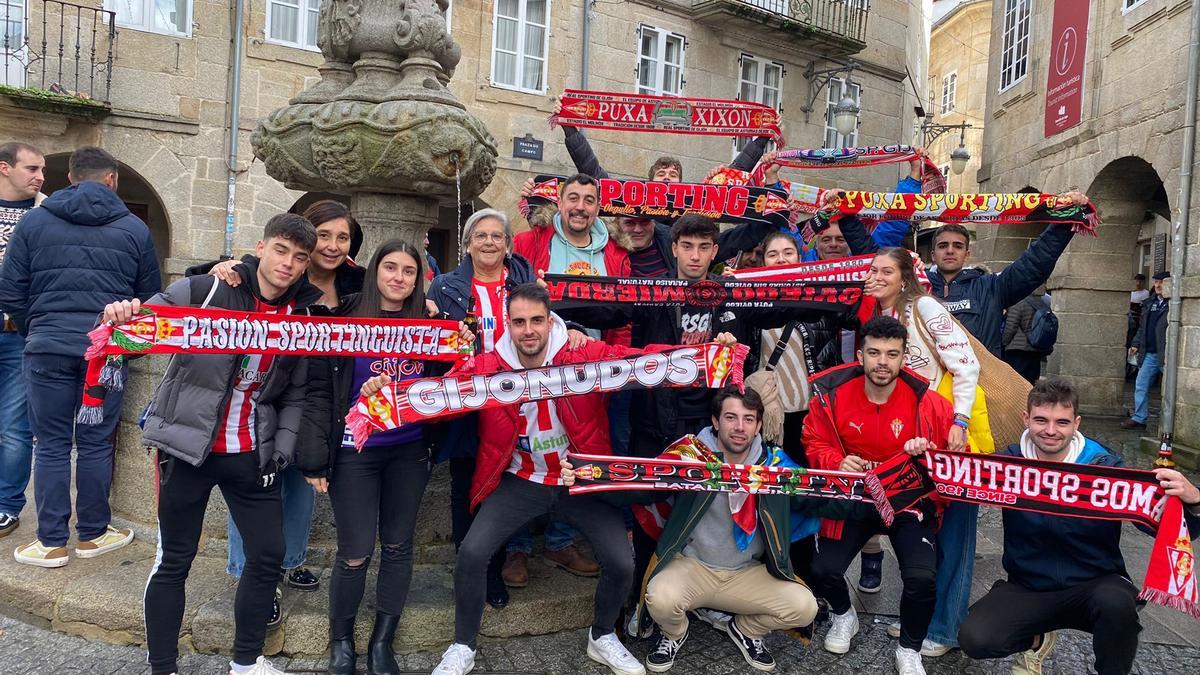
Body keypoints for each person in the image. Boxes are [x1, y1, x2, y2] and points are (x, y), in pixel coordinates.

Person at [421, 283, 649, 675]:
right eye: (519, 322)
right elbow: (443, 398)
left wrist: (712, 355)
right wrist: (385, 397)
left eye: (537, 321)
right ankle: (463, 646)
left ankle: (602, 636)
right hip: (520, 480)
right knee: (473, 553)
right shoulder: (491, 365)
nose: (529, 330)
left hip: (579, 480)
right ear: (507, 324)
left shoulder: (581, 353)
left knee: (621, 561)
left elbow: (637, 361)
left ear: (551, 321)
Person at [128, 213, 320, 675]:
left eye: (300, 257)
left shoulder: (304, 316)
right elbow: (135, 331)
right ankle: (163, 666)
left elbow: (296, 392)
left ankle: (246, 662)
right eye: (280, 250)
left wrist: (281, 452)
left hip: (250, 455)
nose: (288, 263)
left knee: (268, 556)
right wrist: (119, 314)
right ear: (261, 246)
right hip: (187, 450)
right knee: (175, 560)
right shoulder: (208, 289)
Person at [299, 240, 472, 675]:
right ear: (376, 271)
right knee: (355, 551)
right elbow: (322, 392)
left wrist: (465, 340)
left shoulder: (432, 323)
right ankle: (341, 640)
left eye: (408, 271)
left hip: (409, 450)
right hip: (356, 452)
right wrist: (318, 454)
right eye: (390, 267)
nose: (398, 277)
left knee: (397, 546)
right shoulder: (348, 316)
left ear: (420, 279)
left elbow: (456, 379)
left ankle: (382, 641)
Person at [560, 387, 821, 673]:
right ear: (716, 421)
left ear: (759, 425)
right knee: (660, 597)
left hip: (747, 572)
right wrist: (585, 477)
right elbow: (642, 485)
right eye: (731, 417)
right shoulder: (690, 455)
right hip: (693, 568)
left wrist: (868, 493)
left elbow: (822, 497)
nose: (739, 427)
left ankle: (746, 629)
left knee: (804, 606)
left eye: (748, 419)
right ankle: (674, 634)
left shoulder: (775, 466)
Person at [958, 378, 1200, 675]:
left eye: (1062, 422)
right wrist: (925, 456)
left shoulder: (1105, 467)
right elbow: (953, 480)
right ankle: (1036, 640)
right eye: (1041, 420)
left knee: (1118, 609)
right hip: (1028, 586)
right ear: (1026, 419)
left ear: (1076, 423)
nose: (1050, 430)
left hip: (1096, 583)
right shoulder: (1008, 463)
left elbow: (1166, 529)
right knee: (976, 638)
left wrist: (1194, 501)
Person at [200, 199, 365, 616]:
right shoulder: (272, 273)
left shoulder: (358, 283)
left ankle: (289, 562)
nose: (331, 245)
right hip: (271, 393)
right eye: (323, 235)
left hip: (325, 398)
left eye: (341, 237)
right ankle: (255, 573)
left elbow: (397, 309)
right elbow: (200, 287)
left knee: (301, 487)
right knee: (256, 486)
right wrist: (224, 268)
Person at [0, 146, 160, 567]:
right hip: (104, 354)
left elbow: (10, 288)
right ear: (112, 180)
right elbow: (149, 298)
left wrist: (38, 327)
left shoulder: (34, 220)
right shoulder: (134, 228)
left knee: (50, 445)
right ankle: (92, 534)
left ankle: (51, 542)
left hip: (46, 348)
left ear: (70, 179)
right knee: (94, 443)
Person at [426, 209, 591, 607]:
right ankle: (471, 568)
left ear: (507, 244)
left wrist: (574, 332)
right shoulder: (445, 287)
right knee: (467, 485)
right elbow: (430, 341)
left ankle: (498, 565)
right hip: (469, 398)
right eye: (480, 235)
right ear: (467, 243)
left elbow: (550, 323)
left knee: (502, 484)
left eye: (496, 236)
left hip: (521, 400)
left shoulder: (523, 283)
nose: (488, 242)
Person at [804, 316, 956, 675]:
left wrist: (928, 453)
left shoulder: (931, 404)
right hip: (855, 497)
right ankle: (845, 615)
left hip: (907, 501)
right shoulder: (832, 396)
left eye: (892, 354)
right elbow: (814, 440)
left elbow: (950, 466)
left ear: (904, 358)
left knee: (922, 578)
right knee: (822, 570)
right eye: (874, 353)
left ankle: (910, 648)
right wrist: (837, 460)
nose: (882, 362)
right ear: (860, 355)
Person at [863, 247, 980, 657]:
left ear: (904, 276)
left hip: (947, 432)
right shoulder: (882, 317)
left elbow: (967, 364)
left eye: (886, 271)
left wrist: (959, 423)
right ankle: (924, 619)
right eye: (873, 269)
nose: (877, 276)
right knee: (926, 530)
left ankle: (946, 629)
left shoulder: (924, 307)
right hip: (913, 438)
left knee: (956, 531)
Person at [510, 176, 612, 581]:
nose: (580, 207)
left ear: (598, 208)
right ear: (561, 202)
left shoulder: (614, 251)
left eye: (589, 200)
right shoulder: (532, 242)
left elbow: (623, 317)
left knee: (578, 453)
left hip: (591, 371)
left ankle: (560, 543)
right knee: (524, 451)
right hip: (535, 365)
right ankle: (516, 548)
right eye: (573, 198)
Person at [839, 193, 1091, 355]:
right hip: (927, 386)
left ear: (967, 254)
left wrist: (1063, 224)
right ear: (933, 254)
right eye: (943, 246)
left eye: (958, 246)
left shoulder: (993, 287)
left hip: (979, 385)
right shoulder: (914, 285)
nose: (950, 251)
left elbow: (1034, 264)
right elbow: (874, 257)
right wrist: (846, 216)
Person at [0, 141, 45, 539]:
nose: (40, 177)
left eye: (41, 170)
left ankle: (6, 505)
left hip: (18, 335)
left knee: (15, 425)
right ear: (4, 168)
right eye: (31, 168)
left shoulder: (47, 212)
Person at [1124, 271, 1170, 430]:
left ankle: (1170, 422)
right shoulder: (1150, 302)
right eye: (1156, 282)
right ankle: (1139, 417)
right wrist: (1136, 343)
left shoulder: (1172, 303)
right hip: (1150, 352)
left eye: (1162, 282)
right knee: (1141, 384)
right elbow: (1143, 327)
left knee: (1170, 389)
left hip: (1166, 354)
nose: (1158, 285)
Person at [1002, 291, 1049, 384]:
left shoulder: (1018, 302)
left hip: (1017, 350)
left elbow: (1011, 327)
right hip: (1035, 349)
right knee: (1031, 382)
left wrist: (1003, 343)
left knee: (1016, 382)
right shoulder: (1040, 302)